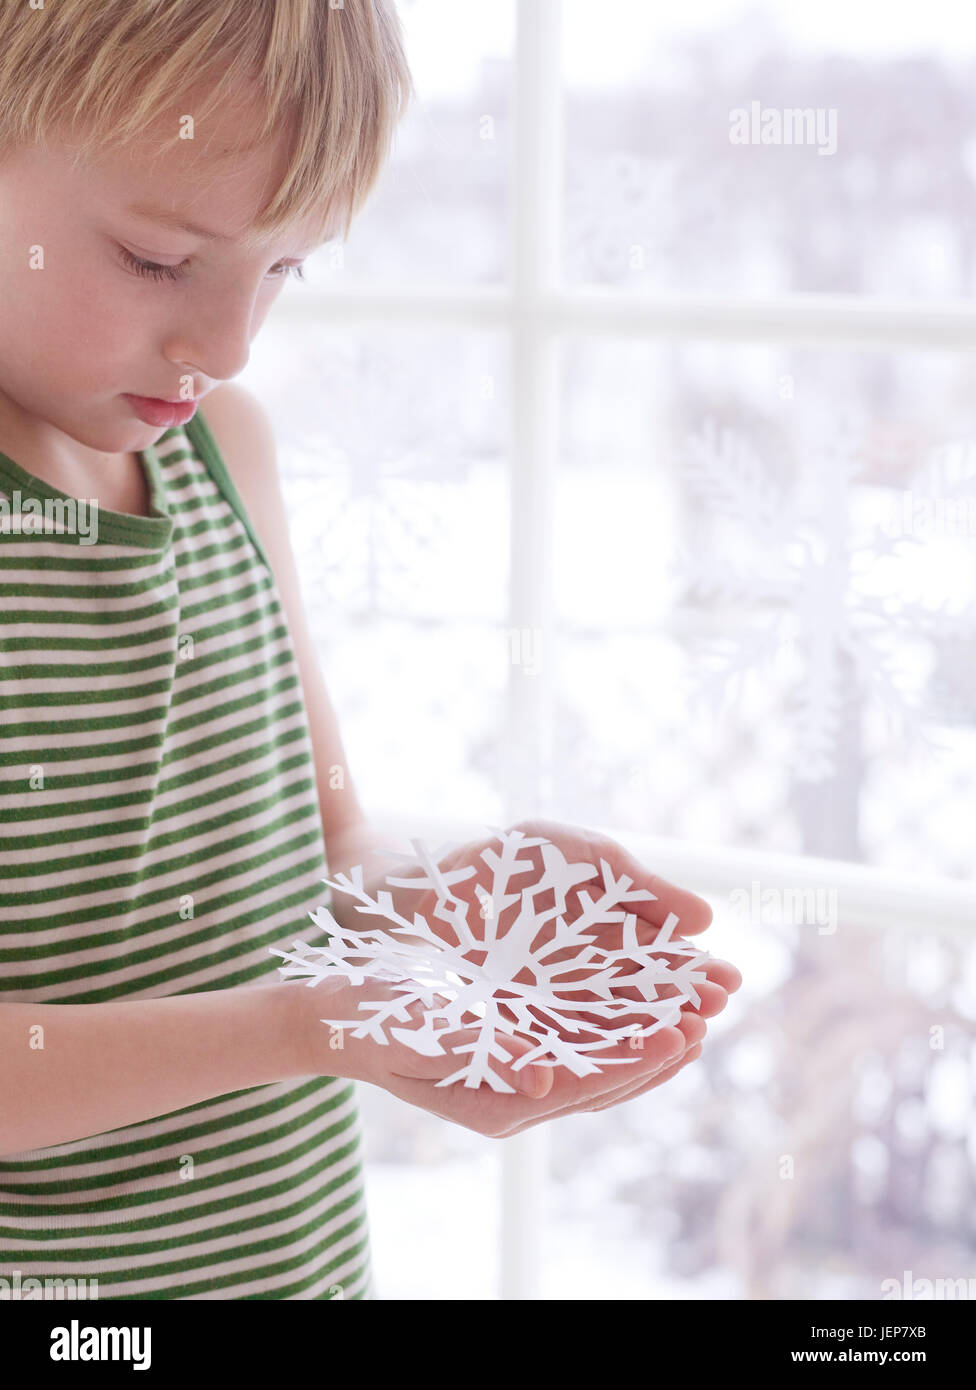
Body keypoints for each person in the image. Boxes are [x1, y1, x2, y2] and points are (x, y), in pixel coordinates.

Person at [0, 0, 741, 1300]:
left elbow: (318, 852)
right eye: (161, 260)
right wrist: (312, 1025)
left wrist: (452, 920)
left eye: (287, 271)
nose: (226, 345)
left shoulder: (225, 452)